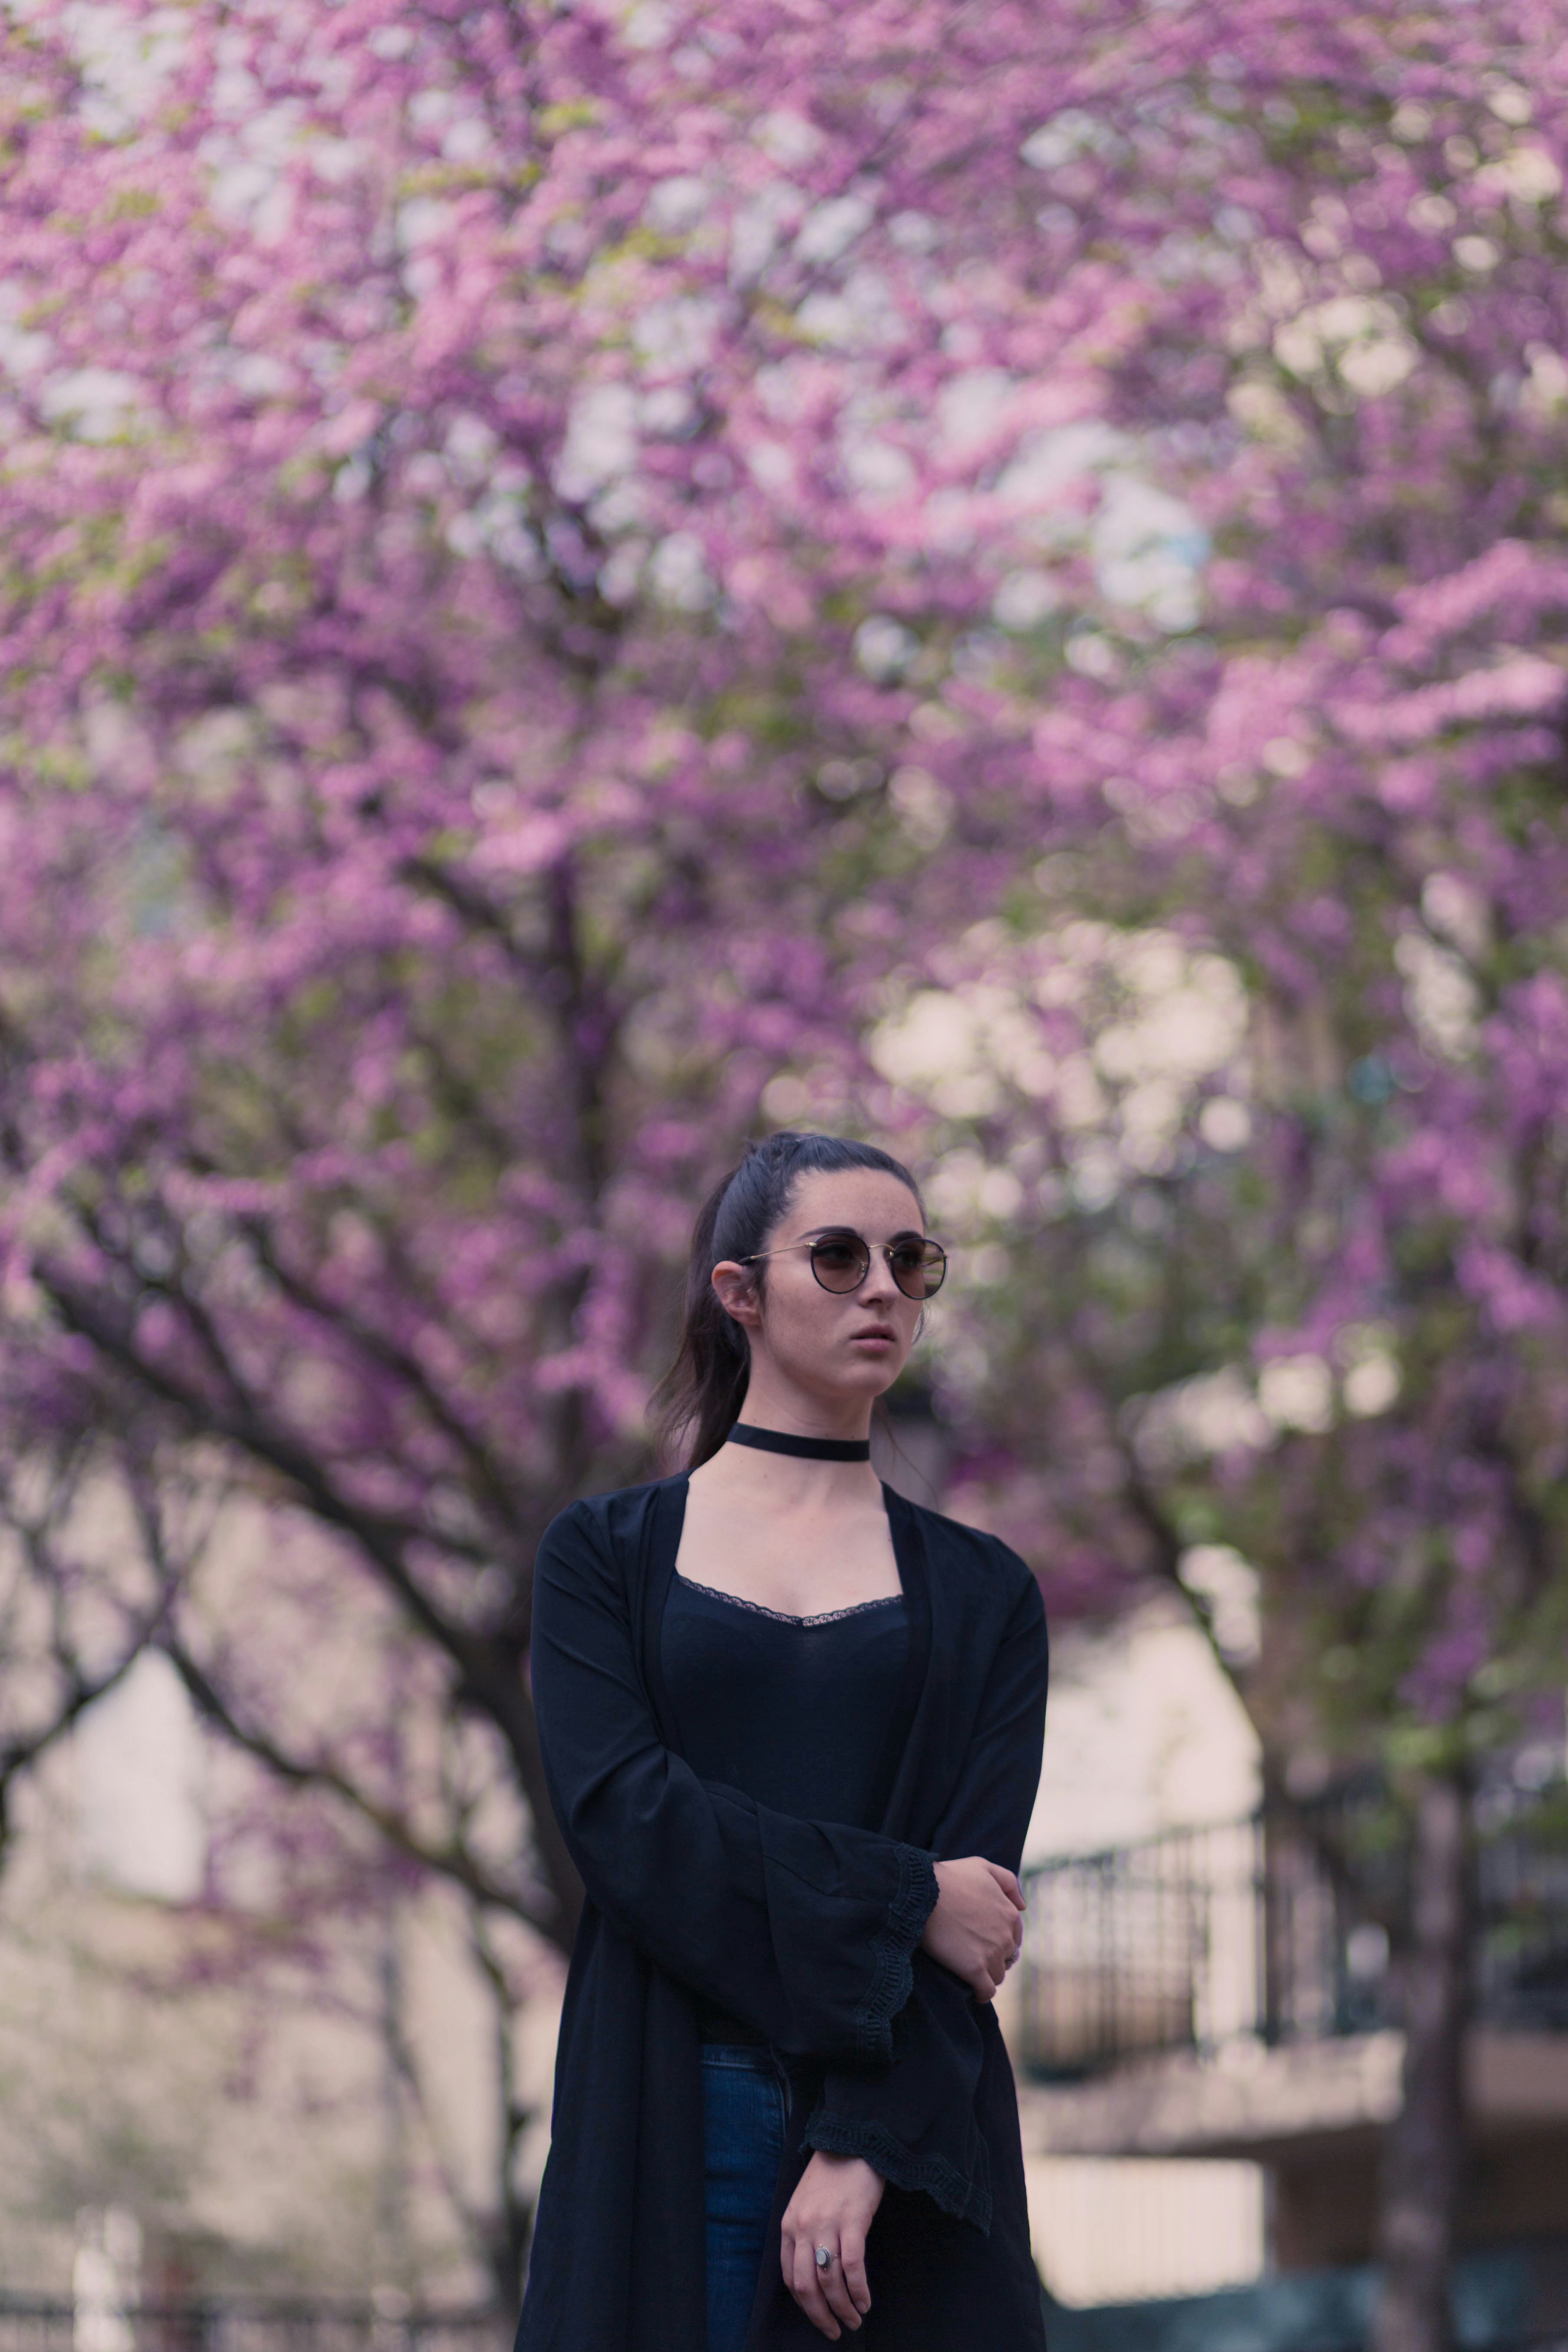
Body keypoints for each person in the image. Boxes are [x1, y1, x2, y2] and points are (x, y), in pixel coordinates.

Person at [516, 1131, 1050, 2352]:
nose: (882, 1287)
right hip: (666, 2110)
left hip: (908, 2139)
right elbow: (627, 1825)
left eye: (911, 1260)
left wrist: (861, 2144)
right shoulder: (601, 1558)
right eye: (838, 1254)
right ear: (738, 1292)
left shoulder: (985, 1593)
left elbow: (975, 1926)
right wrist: (905, 1891)